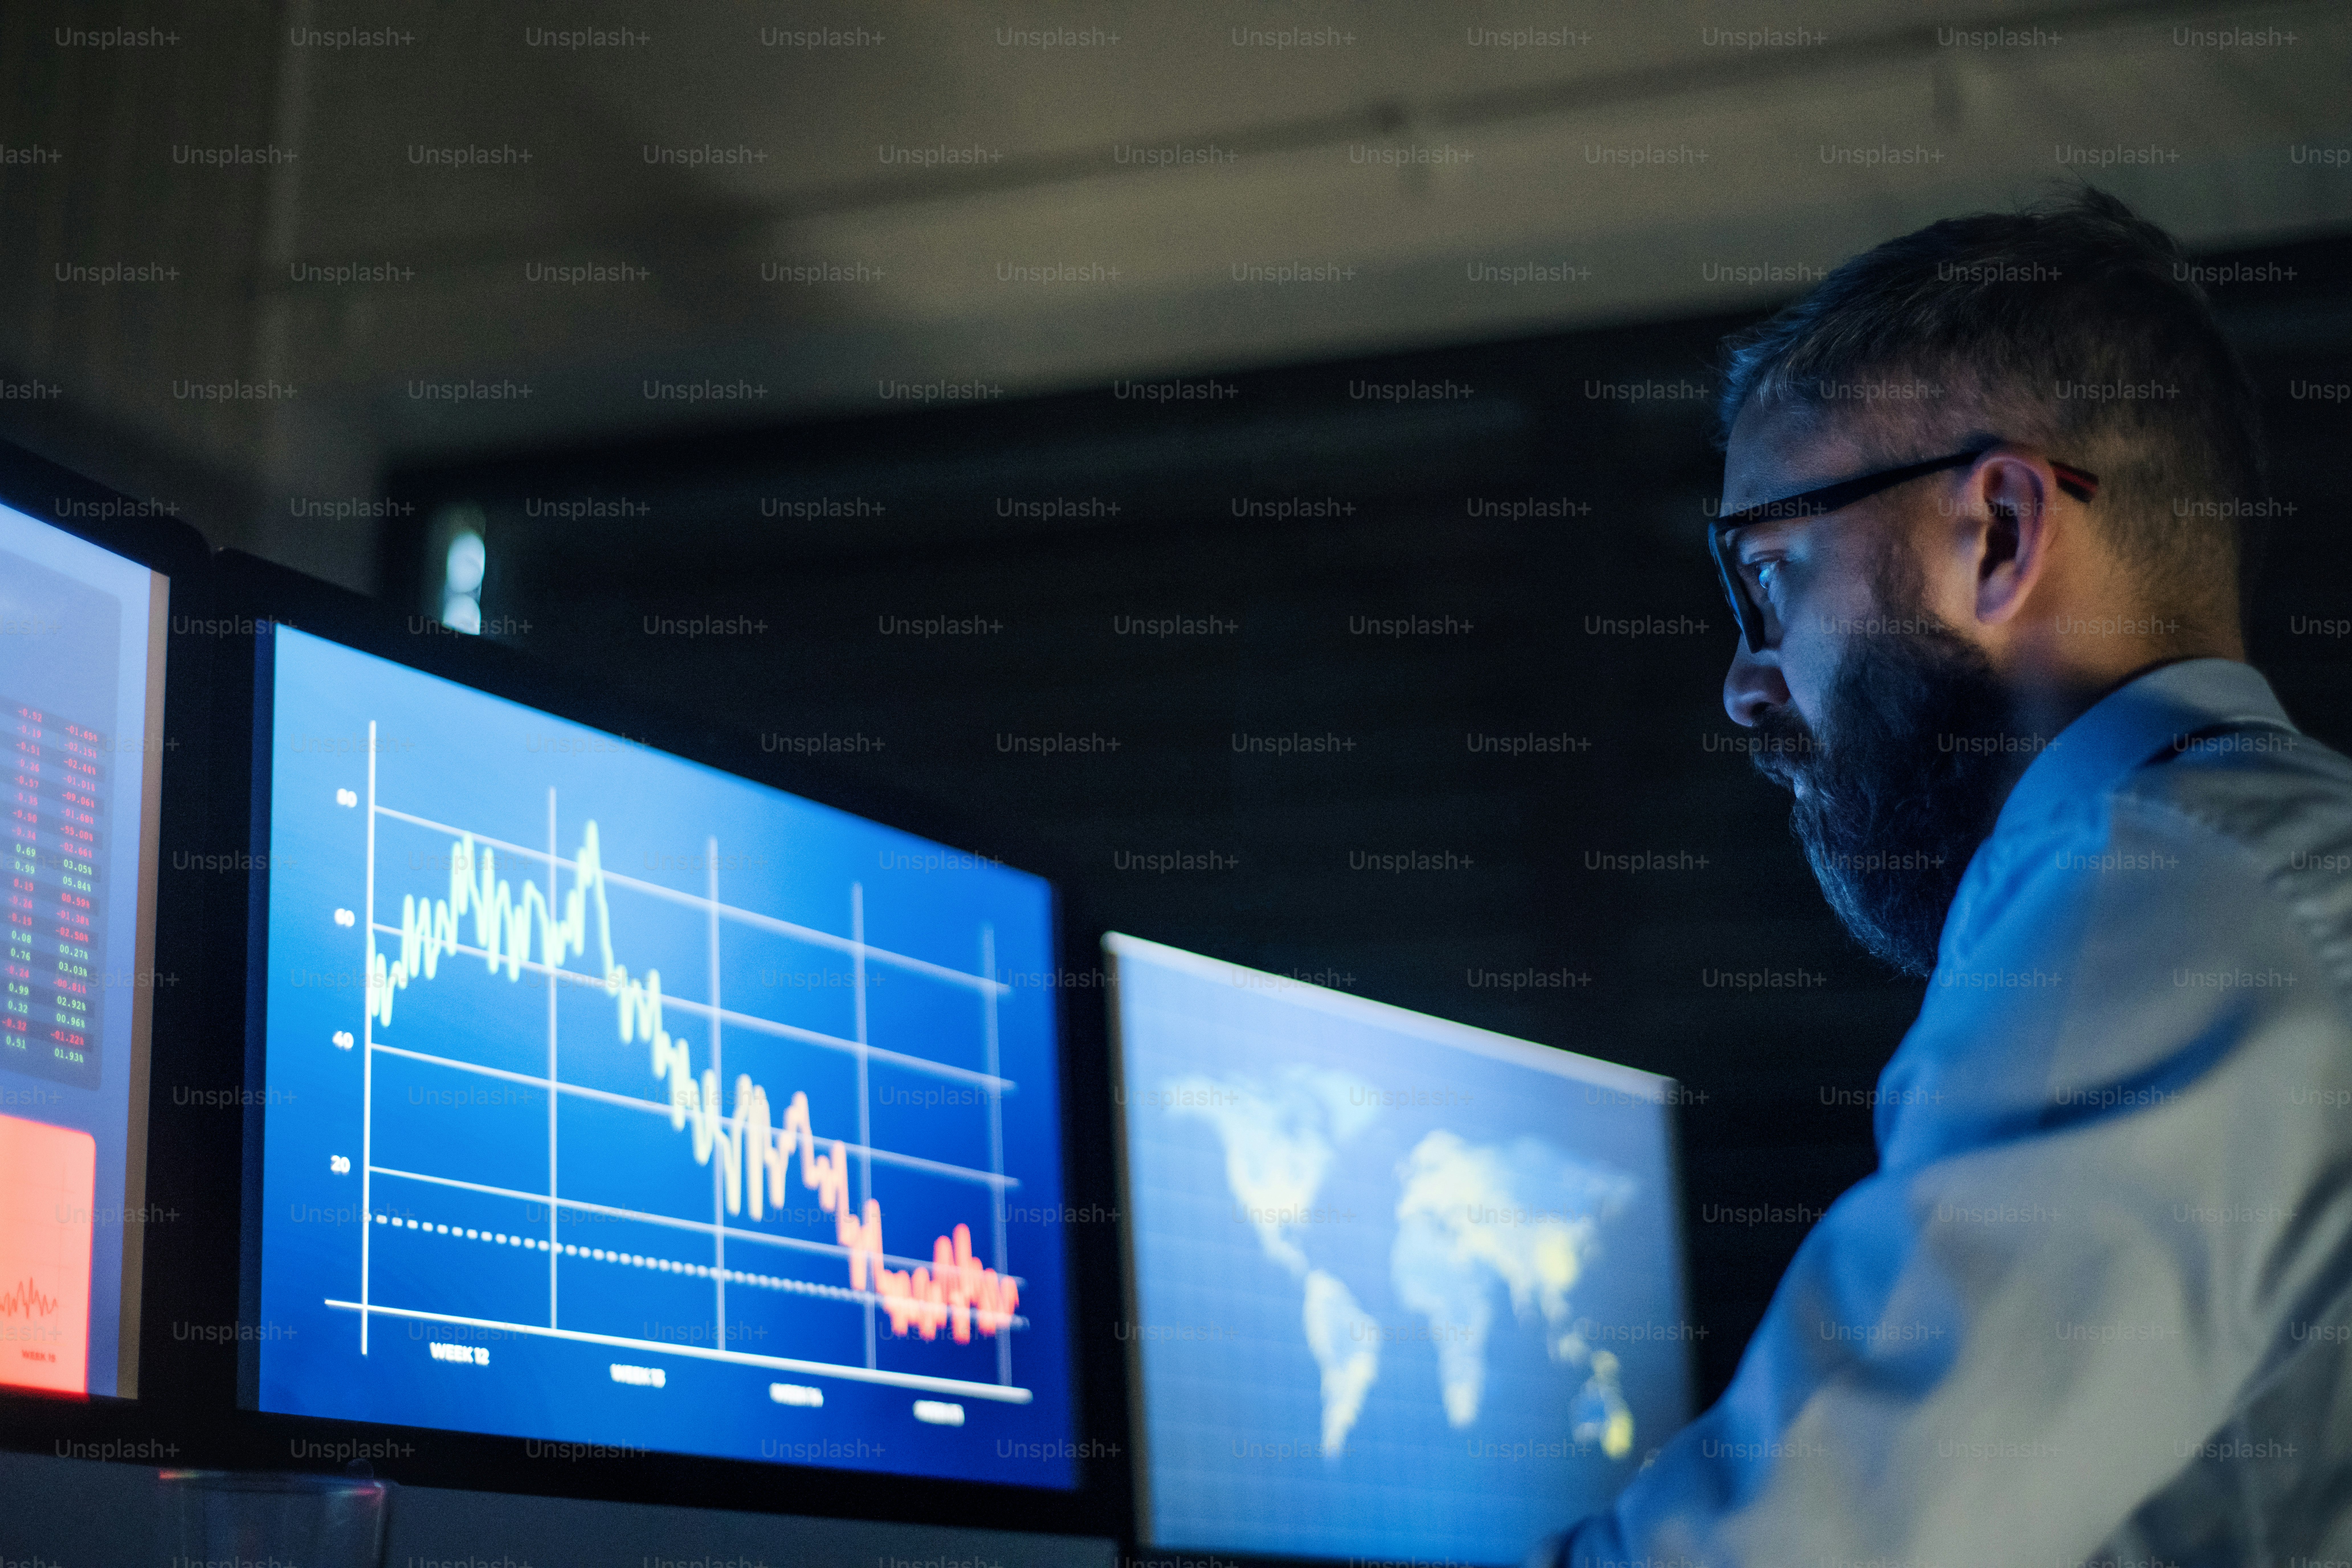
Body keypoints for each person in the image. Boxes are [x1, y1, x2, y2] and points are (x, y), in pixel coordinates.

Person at [1539, 187, 2352, 1566]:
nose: (1743, 683)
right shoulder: (2272, 857)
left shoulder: (2161, 897)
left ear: (2001, 533)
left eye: (1773, 579)